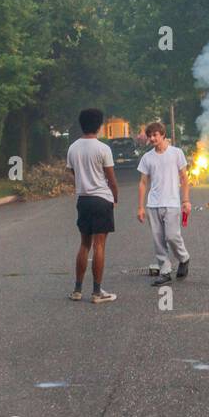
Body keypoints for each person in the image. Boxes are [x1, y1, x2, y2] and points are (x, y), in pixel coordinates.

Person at [65, 108, 119, 303]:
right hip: (101, 198)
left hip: (83, 199)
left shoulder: (73, 148)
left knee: (84, 244)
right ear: (99, 125)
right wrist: (115, 197)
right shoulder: (103, 149)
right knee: (99, 245)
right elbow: (111, 179)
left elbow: (74, 173)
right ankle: (97, 292)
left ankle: (77, 290)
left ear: (82, 124)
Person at [136, 121, 191, 286]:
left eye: (155, 135)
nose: (152, 138)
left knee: (172, 236)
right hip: (153, 204)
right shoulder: (147, 157)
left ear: (163, 135)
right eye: (150, 136)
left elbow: (184, 178)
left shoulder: (176, 153)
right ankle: (165, 271)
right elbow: (143, 183)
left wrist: (186, 200)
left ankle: (183, 258)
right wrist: (140, 207)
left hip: (172, 202)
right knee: (158, 239)